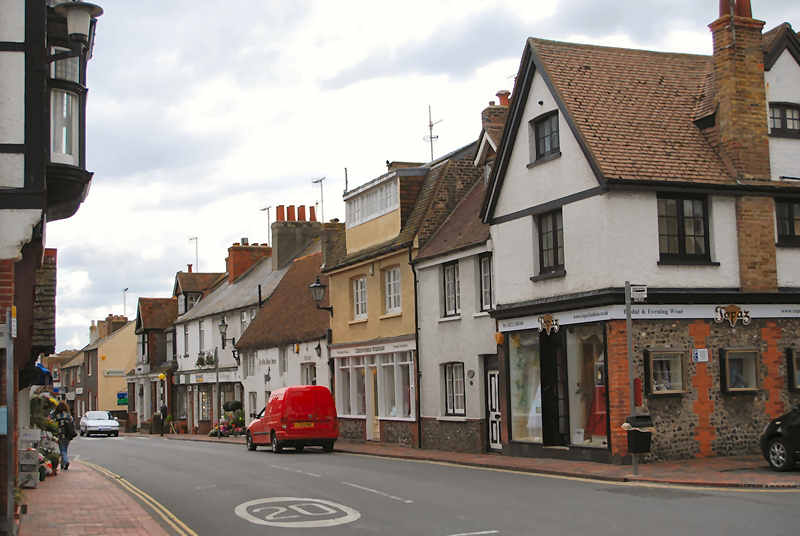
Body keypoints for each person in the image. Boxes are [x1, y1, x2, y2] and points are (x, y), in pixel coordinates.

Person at [52, 402, 74, 470]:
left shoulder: (56, 416)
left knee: (62, 450)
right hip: (68, 435)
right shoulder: (68, 415)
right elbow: (72, 423)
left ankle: (66, 461)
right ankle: (63, 464)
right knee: (65, 449)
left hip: (60, 435)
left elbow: (52, 423)